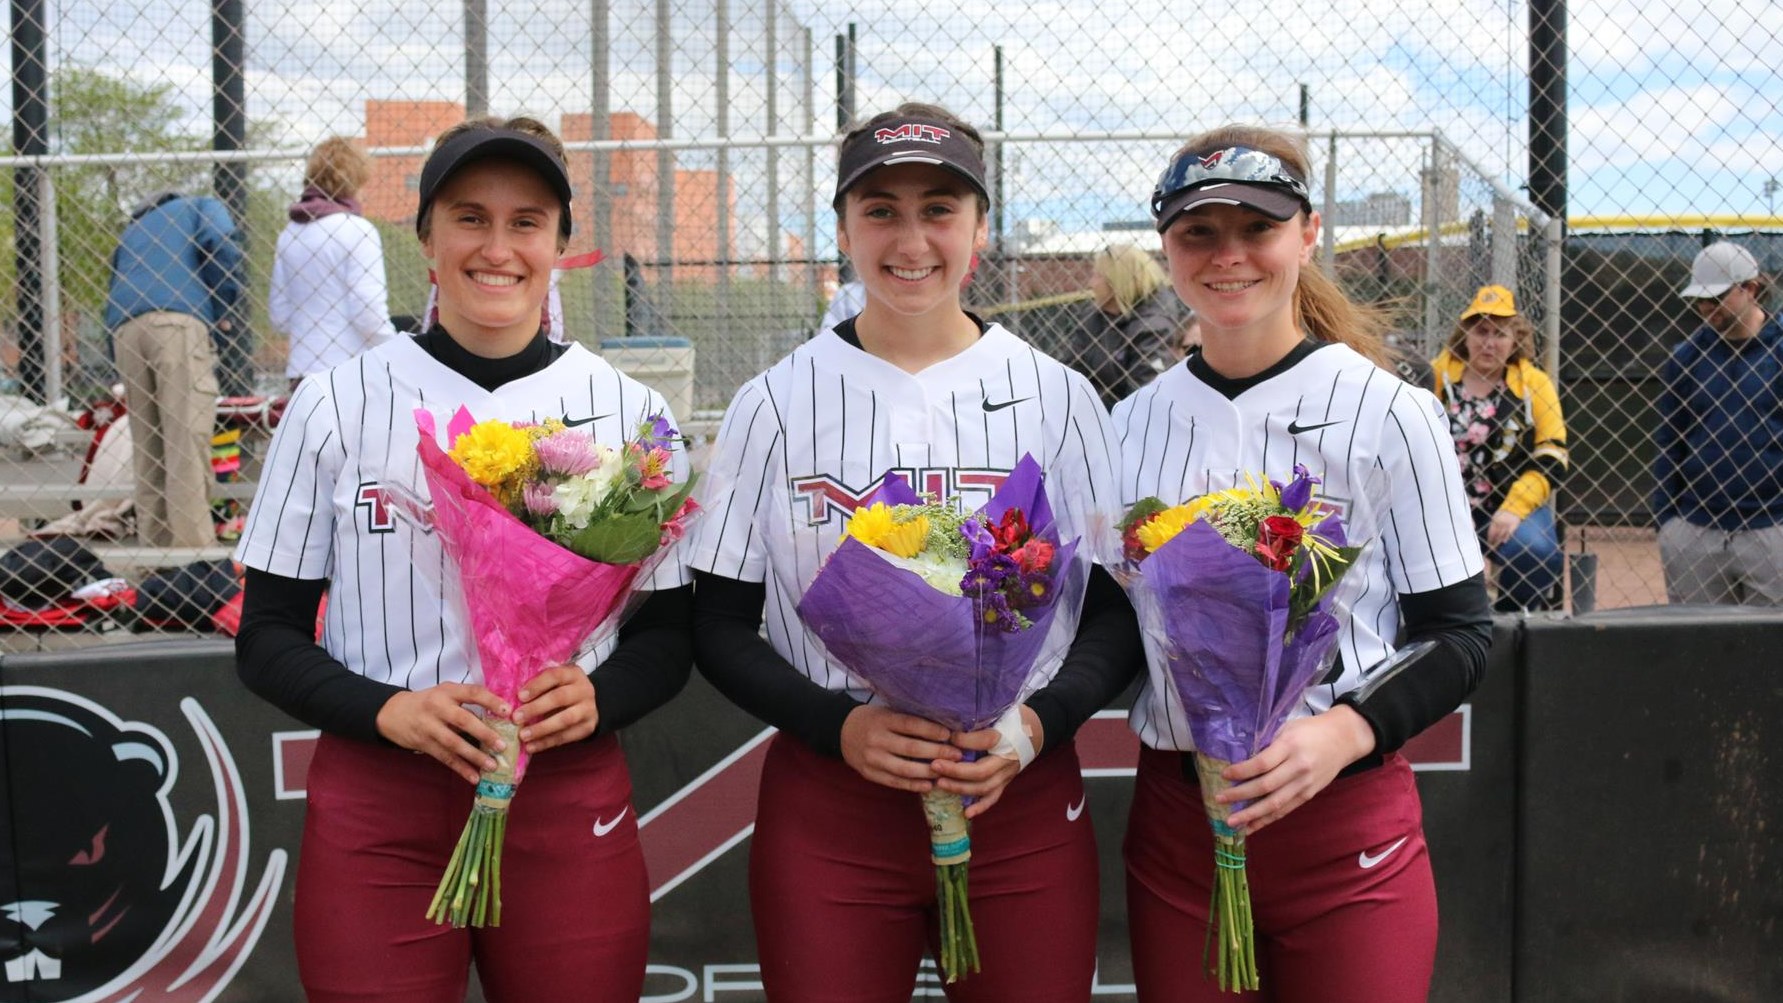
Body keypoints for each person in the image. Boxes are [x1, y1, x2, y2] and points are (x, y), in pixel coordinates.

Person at [686, 102, 1140, 1002]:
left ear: (980, 226)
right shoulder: (773, 402)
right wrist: (837, 725)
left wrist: (1037, 725)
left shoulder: (1059, 396)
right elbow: (718, 621)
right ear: (844, 227)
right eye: (880, 209)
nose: (911, 238)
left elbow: (1116, 613)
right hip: (833, 799)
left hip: (1017, 790)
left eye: (939, 207)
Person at [233, 116, 693, 1003]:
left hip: (562, 795)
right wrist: (389, 711)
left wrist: (600, 696)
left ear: (561, 244)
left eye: (526, 221)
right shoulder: (335, 402)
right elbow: (267, 637)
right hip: (381, 800)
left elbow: (672, 634)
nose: (498, 245)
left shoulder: (628, 408)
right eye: (469, 216)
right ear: (425, 239)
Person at [1111, 124, 1493, 1002]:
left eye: (1258, 227)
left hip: (1344, 823)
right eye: (1198, 232)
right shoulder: (1125, 424)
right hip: (1180, 821)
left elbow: (1461, 633)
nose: (1228, 254)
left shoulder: (1390, 411)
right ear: (1164, 246)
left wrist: (1344, 729)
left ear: (1308, 234)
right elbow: (1109, 622)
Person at [104, 190, 244, 547]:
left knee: (148, 451)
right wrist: (223, 305)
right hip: (177, 324)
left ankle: (155, 569)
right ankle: (194, 568)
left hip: (125, 331)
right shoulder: (201, 205)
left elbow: (114, 282)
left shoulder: (134, 227)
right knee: (185, 446)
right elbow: (221, 241)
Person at [1652, 241, 1783, 605]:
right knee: (1699, 652)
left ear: (1751, 289)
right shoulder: (1687, 358)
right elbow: (1669, 440)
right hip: (1696, 528)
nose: (1705, 306)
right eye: (1701, 297)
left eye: (1717, 296)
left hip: (1773, 525)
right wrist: (1668, 522)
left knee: (1772, 655)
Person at [1432, 284, 1568, 611]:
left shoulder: (1533, 384)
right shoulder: (1437, 376)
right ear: (1465, 334)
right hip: (1443, 504)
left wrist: (1514, 508)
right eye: (1481, 331)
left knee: (1535, 552)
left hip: (1507, 502)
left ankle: (1506, 618)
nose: (1489, 342)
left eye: (1500, 333)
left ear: (1515, 339)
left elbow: (1554, 453)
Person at [270, 136, 396, 390]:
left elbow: (279, 316)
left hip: (302, 371)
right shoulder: (358, 230)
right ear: (356, 180)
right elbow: (367, 310)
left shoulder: (290, 232)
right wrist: (397, 350)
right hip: (349, 370)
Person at [1080, 242, 1186, 405]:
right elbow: (1070, 368)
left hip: (1124, 421)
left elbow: (1143, 398)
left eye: (1097, 276)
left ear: (1117, 281)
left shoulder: (1154, 325)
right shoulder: (1095, 316)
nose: (1091, 284)